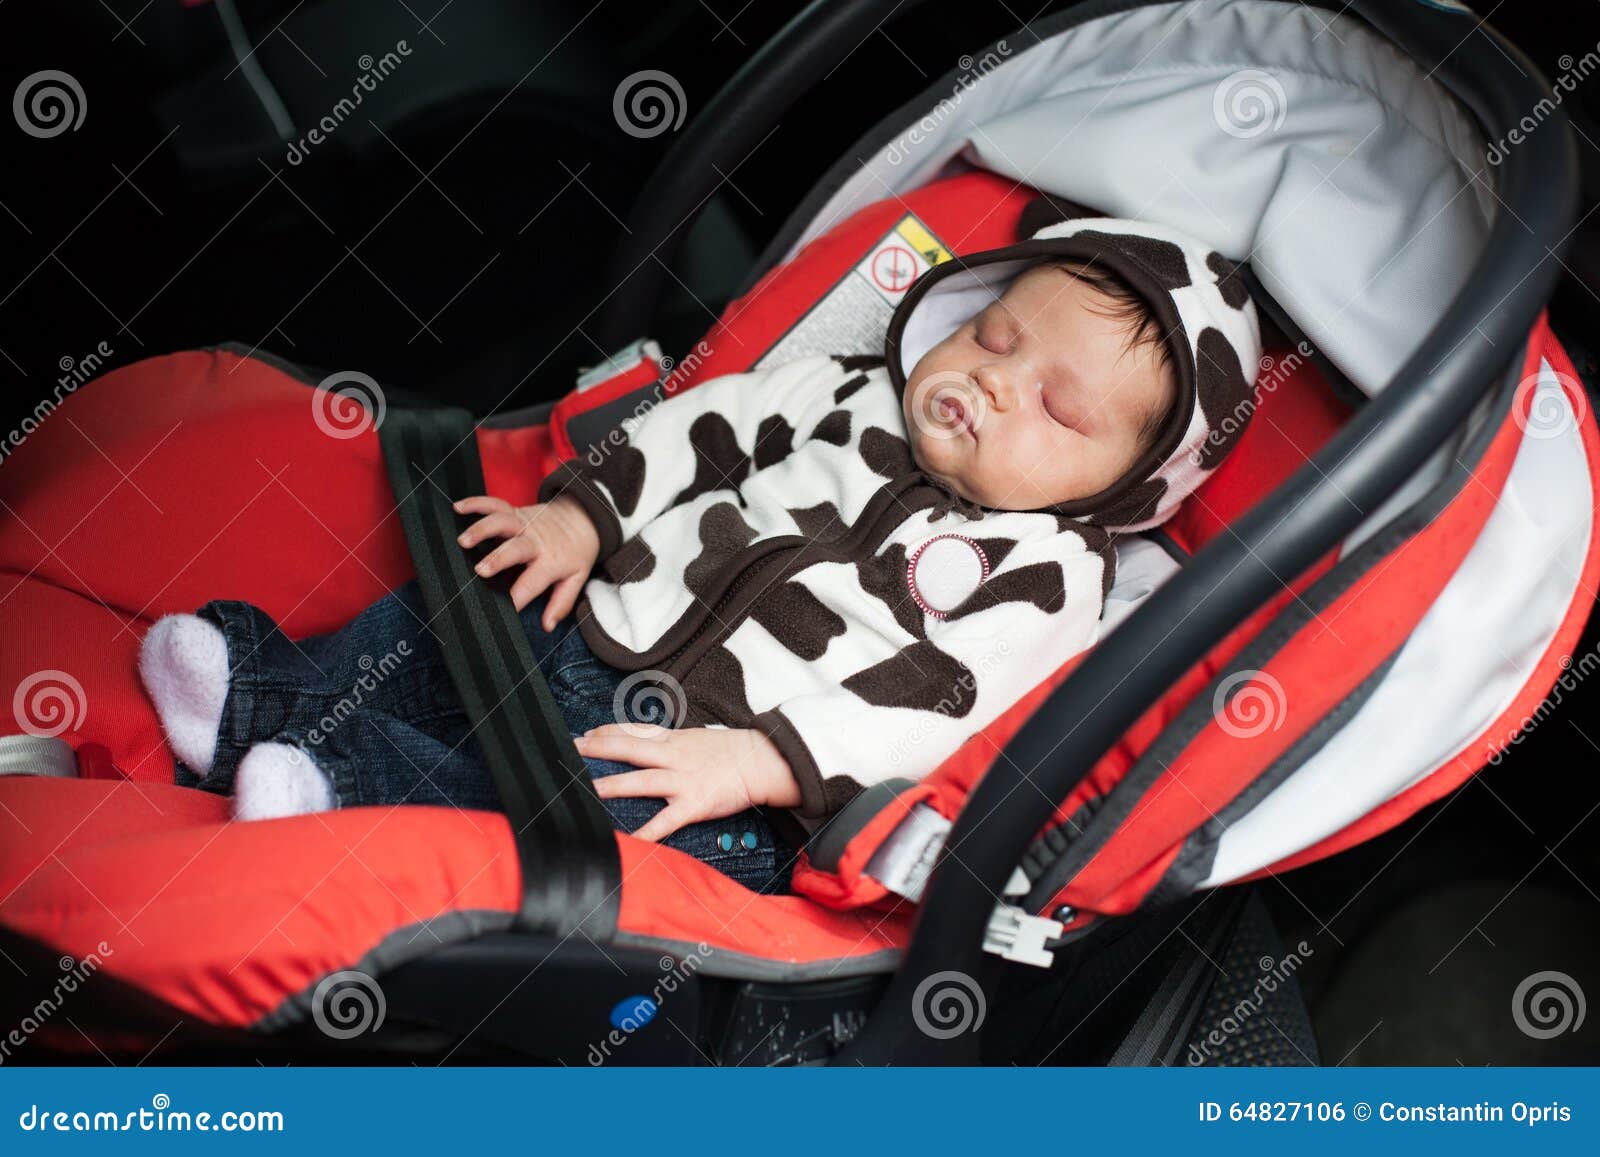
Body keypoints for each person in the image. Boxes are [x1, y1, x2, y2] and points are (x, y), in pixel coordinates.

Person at [137, 202, 1261, 894]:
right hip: (605, 619)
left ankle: (340, 788)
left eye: (1055, 410)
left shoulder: (1048, 576)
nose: (991, 381)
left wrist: (759, 763)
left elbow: (940, 709)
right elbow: (698, 430)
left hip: (728, 778)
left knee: (573, 810)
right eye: (990, 333)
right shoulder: (845, 394)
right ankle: (263, 700)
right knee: (455, 616)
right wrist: (583, 517)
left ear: (1123, 485)